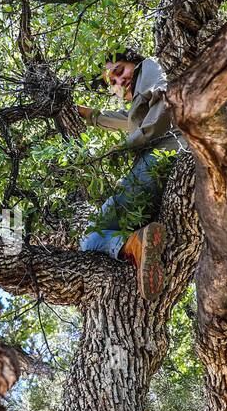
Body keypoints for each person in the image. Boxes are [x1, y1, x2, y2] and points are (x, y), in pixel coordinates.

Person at [75, 50, 180, 300]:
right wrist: (85, 114)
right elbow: (120, 120)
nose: (120, 82)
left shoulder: (148, 68)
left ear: (135, 62)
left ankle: (134, 243)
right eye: (113, 83)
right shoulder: (138, 105)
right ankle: (139, 243)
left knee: (91, 236)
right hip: (165, 165)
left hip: (161, 158)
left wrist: (126, 146)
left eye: (120, 71)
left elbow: (164, 105)